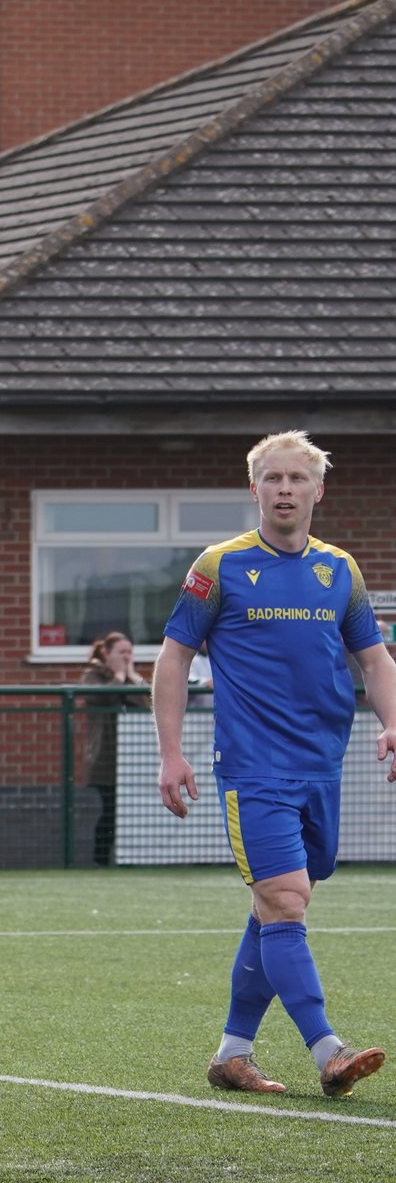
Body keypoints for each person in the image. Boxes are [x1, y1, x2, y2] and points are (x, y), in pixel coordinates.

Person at [156, 430, 393, 1100]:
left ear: (318, 489)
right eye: (272, 478)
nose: (284, 489)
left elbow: (373, 660)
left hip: (322, 766)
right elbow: (173, 657)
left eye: (297, 478)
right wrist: (171, 753)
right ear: (253, 488)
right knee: (286, 899)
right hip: (253, 769)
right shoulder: (220, 565)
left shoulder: (340, 570)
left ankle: (233, 1051)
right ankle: (329, 1050)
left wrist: (394, 721)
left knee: (277, 906)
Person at [77, 632, 148, 867]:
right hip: (104, 755)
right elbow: (98, 696)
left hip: (131, 754)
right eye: (121, 652)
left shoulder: (131, 678)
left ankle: (131, 858)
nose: (127, 657)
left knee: (129, 808)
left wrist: (132, 676)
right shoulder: (92, 674)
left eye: (129, 652)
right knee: (110, 808)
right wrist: (118, 676)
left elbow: (146, 701)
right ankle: (101, 860)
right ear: (107, 653)